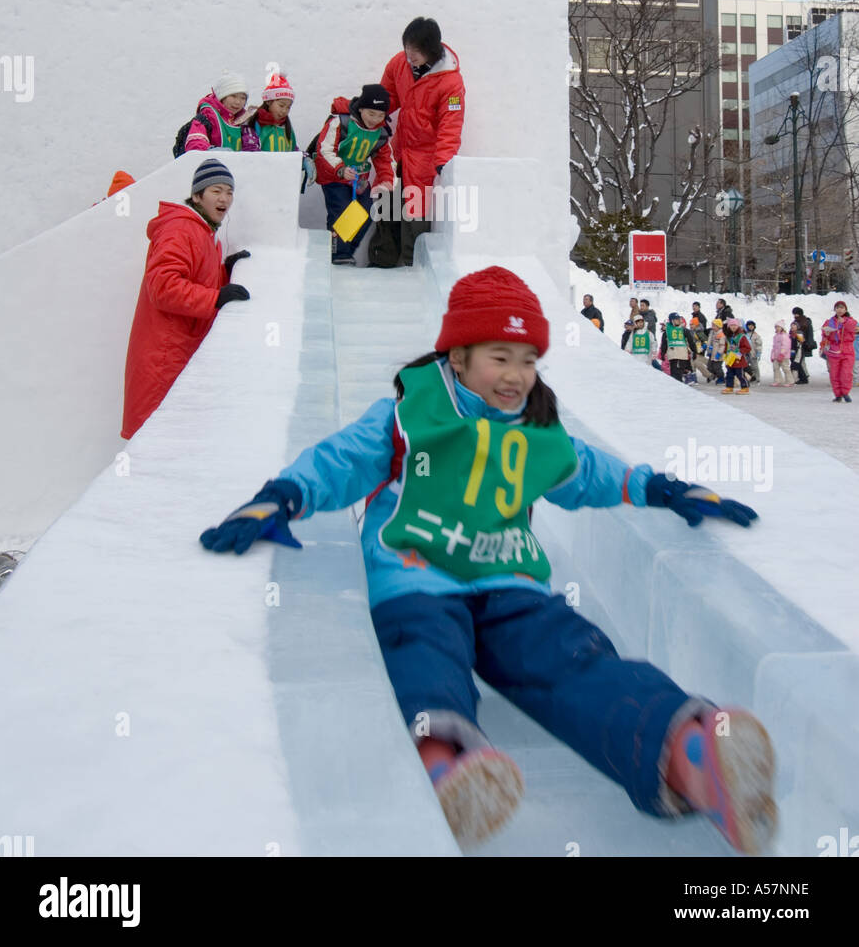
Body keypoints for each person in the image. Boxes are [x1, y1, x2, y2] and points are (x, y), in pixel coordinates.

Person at [200, 267, 774, 855]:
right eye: (501, 357)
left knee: (573, 655)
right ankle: (444, 763)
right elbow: (340, 460)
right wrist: (280, 497)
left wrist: (665, 489)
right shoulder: (409, 415)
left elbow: (588, 472)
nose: (517, 376)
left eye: (528, 359)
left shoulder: (533, 429)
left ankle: (685, 753)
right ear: (458, 354)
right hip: (415, 576)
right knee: (426, 654)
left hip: (507, 579)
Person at [121, 158, 250, 439]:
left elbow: (194, 278)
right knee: (156, 442)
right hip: (164, 358)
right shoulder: (181, 229)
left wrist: (224, 272)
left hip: (178, 352)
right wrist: (216, 298)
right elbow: (164, 286)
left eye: (229, 192)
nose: (225, 198)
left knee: (173, 441)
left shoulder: (202, 230)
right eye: (216, 190)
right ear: (196, 195)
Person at [368, 17, 465, 269]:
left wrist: (443, 162)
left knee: (417, 218)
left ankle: (415, 269)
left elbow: (450, 126)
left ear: (431, 50)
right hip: (401, 153)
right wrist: (360, 113)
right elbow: (383, 100)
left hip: (426, 159)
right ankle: (388, 263)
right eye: (407, 49)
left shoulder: (450, 83)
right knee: (390, 210)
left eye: (416, 52)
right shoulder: (399, 64)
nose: (409, 56)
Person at [315, 84, 395, 266]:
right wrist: (341, 169)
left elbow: (385, 161)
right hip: (335, 177)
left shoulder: (381, 133)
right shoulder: (340, 122)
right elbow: (324, 149)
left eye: (380, 115)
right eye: (371, 114)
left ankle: (347, 251)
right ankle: (338, 254)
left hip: (359, 180)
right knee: (341, 211)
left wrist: (385, 181)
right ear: (361, 109)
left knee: (365, 213)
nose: (375, 119)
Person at [184, 71, 261, 153]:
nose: (238, 102)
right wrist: (214, 152)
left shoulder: (244, 121)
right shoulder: (207, 117)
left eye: (243, 98)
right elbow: (195, 144)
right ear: (222, 97)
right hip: (214, 164)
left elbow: (251, 150)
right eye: (233, 96)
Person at [819, 301, 858, 403]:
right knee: (834, 374)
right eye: (837, 308)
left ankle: (845, 392)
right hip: (834, 351)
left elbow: (853, 328)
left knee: (846, 373)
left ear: (845, 310)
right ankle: (838, 394)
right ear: (835, 309)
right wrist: (826, 333)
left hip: (847, 351)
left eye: (842, 308)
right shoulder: (830, 321)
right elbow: (824, 334)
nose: (839, 310)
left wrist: (844, 322)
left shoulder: (851, 321)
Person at [253, 73, 298, 152]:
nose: (284, 111)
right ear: (268, 102)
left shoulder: (287, 128)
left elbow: (294, 149)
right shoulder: (256, 125)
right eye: (281, 105)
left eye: (288, 107)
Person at [721, 319, 751, 394]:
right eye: (731, 325)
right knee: (729, 374)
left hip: (738, 359)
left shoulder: (741, 336)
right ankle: (729, 387)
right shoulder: (728, 336)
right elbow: (726, 346)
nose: (733, 327)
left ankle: (745, 387)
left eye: (735, 325)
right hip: (730, 359)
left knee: (740, 374)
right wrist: (724, 353)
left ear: (738, 326)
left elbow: (748, 347)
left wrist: (740, 353)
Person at [660, 312, 692, 382]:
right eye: (675, 319)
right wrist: (662, 353)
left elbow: (690, 341)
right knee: (674, 372)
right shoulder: (667, 332)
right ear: (671, 320)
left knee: (678, 373)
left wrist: (694, 351)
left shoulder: (684, 330)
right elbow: (664, 344)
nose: (677, 321)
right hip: (672, 355)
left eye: (678, 319)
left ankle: (680, 384)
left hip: (682, 355)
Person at [789, 307, 812, 385]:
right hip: (795, 346)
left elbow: (810, 334)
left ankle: (804, 377)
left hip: (802, 345)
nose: (795, 315)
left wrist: (809, 343)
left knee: (799, 362)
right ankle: (803, 377)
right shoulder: (794, 323)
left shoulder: (806, 322)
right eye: (794, 314)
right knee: (799, 362)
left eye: (797, 314)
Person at [770, 321, 792, 386]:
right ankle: (778, 380)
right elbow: (774, 347)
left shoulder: (785, 336)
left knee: (785, 368)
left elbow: (786, 346)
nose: (777, 328)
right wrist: (772, 355)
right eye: (776, 327)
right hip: (776, 356)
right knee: (775, 368)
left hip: (784, 356)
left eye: (778, 327)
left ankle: (790, 381)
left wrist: (782, 354)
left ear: (782, 327)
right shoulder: (776, 336)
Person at [705, 319, 727, 383]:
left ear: (718, 326)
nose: (712, 327)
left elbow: (722, 345)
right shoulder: (712, 333)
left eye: (714, 326)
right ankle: (713, 375)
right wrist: (707, 347)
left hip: (718, 354)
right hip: (712, 353)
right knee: (709, 366)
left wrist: (719, 353)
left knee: (717, 367)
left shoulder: (721, 334)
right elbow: (710, 342)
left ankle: (721, 378)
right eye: (712, 325)